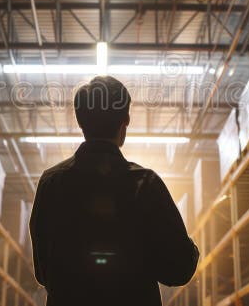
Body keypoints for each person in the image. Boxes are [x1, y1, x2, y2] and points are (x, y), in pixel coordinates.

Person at [29, 75, 199, 306]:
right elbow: (179, 269)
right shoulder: (146, 184)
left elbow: (43, 272)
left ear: (80, 122)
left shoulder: (51, 183)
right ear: (125, 120)